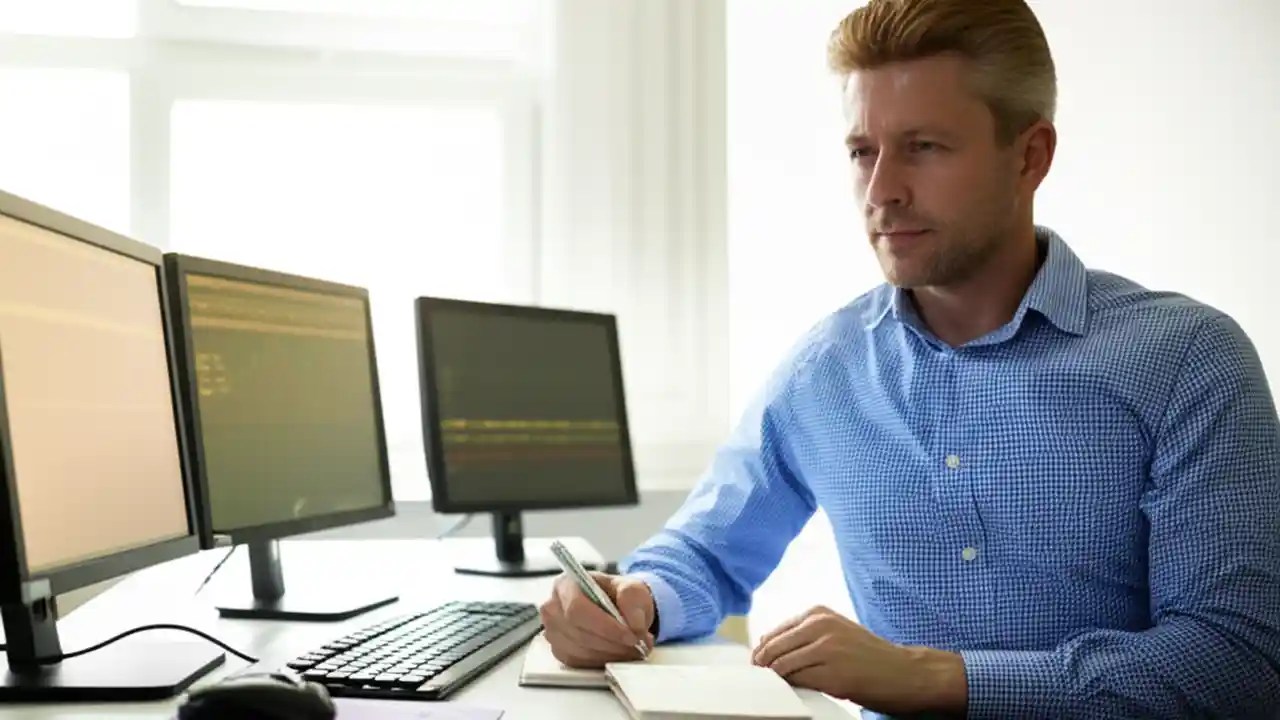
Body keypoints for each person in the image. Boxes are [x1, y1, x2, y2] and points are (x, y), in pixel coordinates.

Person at [537, 0, 1280, 716]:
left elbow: (1237, 662)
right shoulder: (822, 372)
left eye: (924, 148)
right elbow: (702, 553)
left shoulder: (1187, 361)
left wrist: (932, 678)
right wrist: (633, 599)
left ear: (1030, 156)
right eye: (864, 152)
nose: (882, 191)